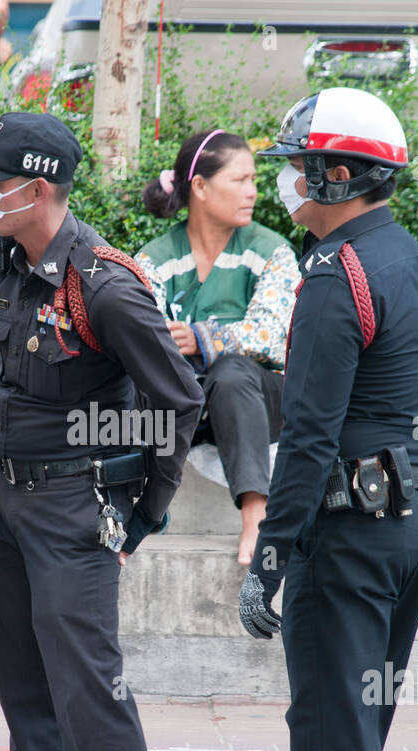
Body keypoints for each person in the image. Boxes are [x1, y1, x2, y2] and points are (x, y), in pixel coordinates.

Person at [0, 111, 203, 751]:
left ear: (39, 187)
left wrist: (140, 516)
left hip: (77, 513)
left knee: (91, 703)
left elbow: (179, 403)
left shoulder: (103, 283)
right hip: (14, 511)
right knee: (27, 699)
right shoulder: (0, 267)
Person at [237, 87, 418, 751]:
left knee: (334, 746)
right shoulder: (413, 259)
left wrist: (269, 559)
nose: (289, 179)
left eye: (299, 165)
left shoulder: (335, 270)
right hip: (414, 522)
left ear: (337, 174)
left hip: (352, 533)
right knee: (356, 741)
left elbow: (307, 440)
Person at [135, 129, 300, 565]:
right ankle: (142, 507)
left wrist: (204, 339)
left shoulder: (272, 251)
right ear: (201, 187)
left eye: (254, 180)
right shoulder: (153, 258)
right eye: (240, 180)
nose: (253, 192)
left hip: (261, 403)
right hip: (190, 403)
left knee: (230, 372)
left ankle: (255, 515)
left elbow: (273, 335)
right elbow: (139, 334)